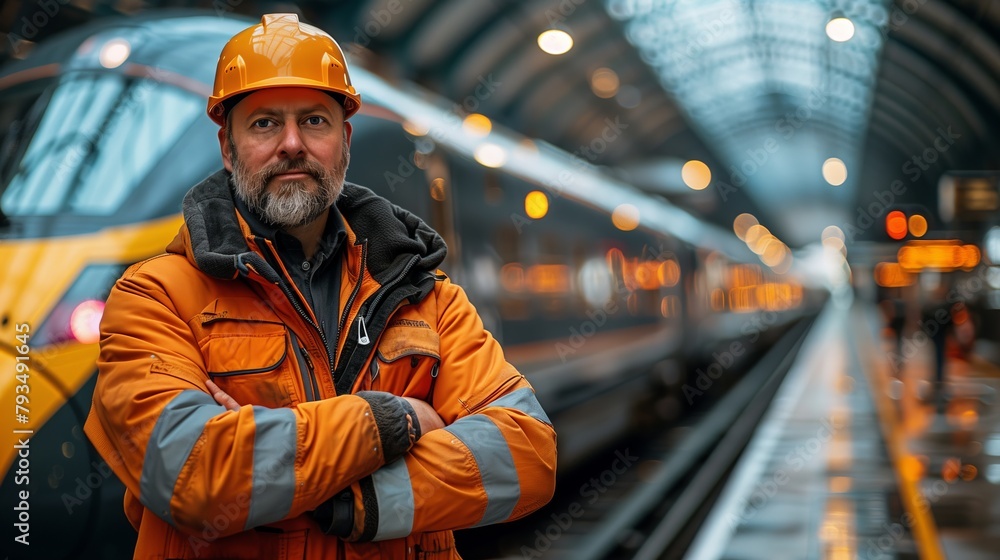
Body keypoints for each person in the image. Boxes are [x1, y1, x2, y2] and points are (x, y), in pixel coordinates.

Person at [85, 13, 556, 559]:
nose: (292, 144)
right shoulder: (154, 297)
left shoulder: (427, 296)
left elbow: (527, 455)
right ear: (227, 147)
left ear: (344, 140)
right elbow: (191, 473)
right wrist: (394, 421)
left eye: (314, 121)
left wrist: (353, 503)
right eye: (264, 124)